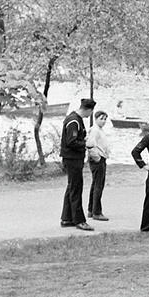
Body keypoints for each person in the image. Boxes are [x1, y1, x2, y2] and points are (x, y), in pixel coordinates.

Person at [60, 98, 96, 231]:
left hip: (73, 158)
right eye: (90, 112)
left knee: (71, 187)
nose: (89, 115)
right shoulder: (74, 121)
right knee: (76, 188)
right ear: (88, 110)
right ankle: (79, 220)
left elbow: (74, 138)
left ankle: (66, 218)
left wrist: (83, 138)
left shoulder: (75, 119)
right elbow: (71, 141)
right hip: (72, 158)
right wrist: (86, 144)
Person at [86, 110, 112, 221]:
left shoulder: (100, 130)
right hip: (98, 160)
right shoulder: (95, 130)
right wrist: (97, 158)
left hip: (101, 158)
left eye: (105, 119)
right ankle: (97, 211)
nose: (103, 121)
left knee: (95, 184)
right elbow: (90, 145)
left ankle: (91, 210)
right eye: (101, 118)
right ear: (96, 119)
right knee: (98, 185)